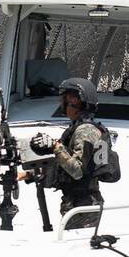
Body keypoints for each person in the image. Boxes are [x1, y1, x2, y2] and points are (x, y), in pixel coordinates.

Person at [28, 78, 107, 231]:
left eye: (65, 99)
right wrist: (30, 174)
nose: (62, 104)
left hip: (83, 207)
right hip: (78, 204)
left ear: (75, 102)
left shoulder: (85, 131)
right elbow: (68, 165)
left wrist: (55, 146)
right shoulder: (80, 128)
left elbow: (78, 171)